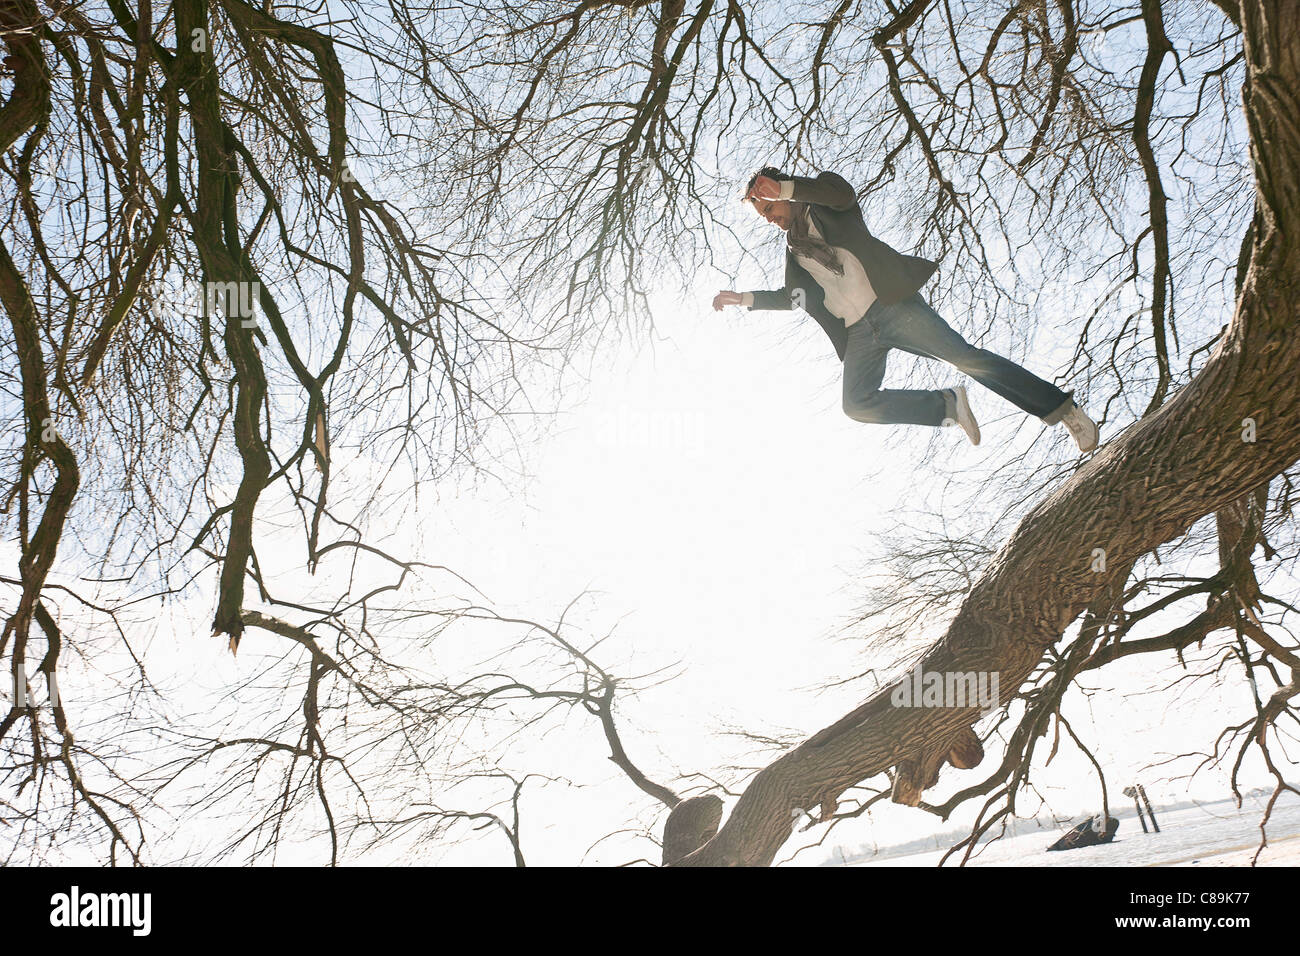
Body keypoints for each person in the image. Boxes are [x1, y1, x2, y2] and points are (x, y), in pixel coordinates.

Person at [712, 167, 1099, 451]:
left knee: (967, 358)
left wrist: (790, 187)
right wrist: (743, 299)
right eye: (762, 215)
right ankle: (947, 405)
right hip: (861, 332)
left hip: (893, 307)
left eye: (768, 207)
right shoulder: (795, 250)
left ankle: (1064, 410)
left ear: (782, 192)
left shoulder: (828, 206)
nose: (768, 218)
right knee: (856, 403)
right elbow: (791, 298)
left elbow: (841, 193)